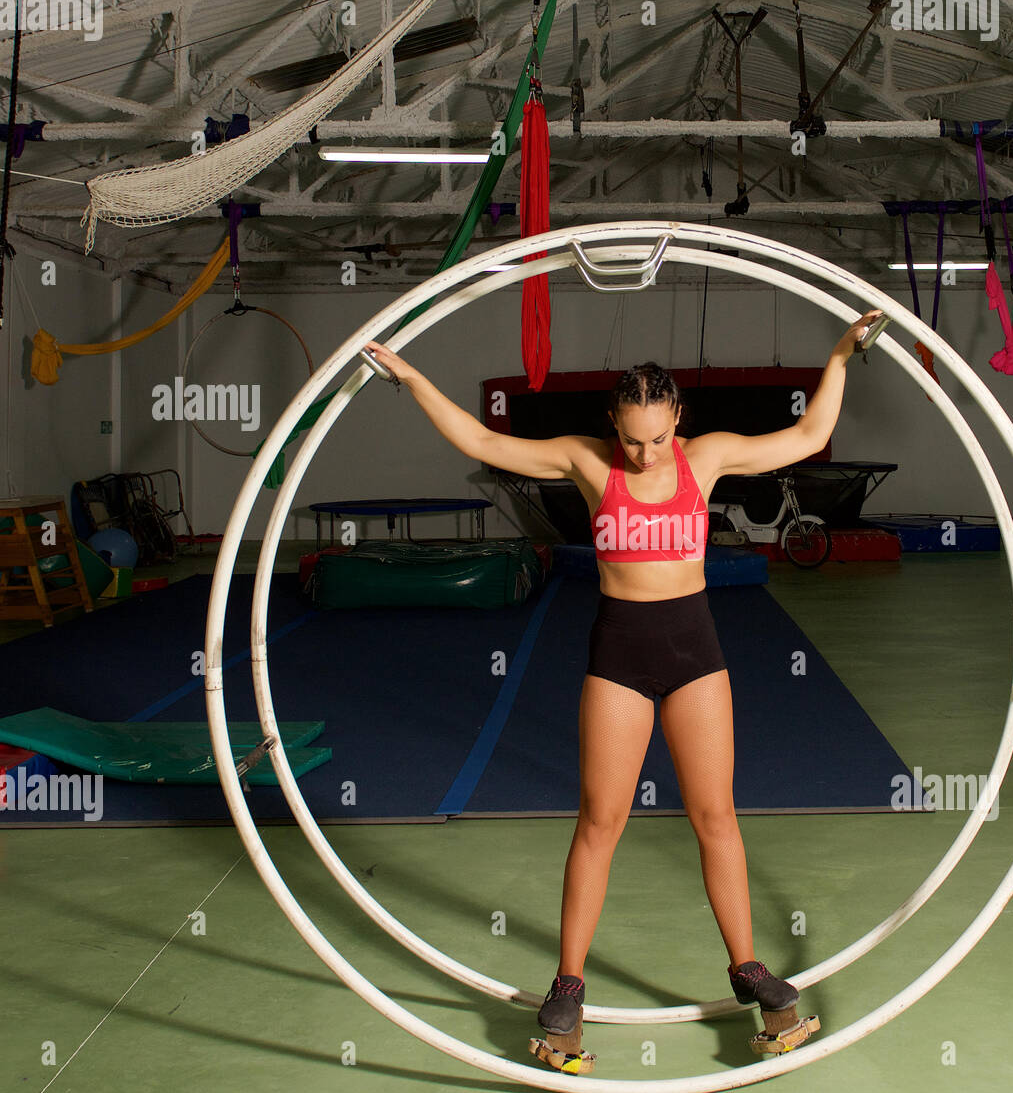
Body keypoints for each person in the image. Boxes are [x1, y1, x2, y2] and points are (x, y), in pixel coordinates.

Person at [363, 310, 881, 1040]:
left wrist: (837, 356)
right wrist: (414, 379)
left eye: (659, 438)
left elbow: (805, 437)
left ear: (679, 421)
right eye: (632, 440)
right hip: (620, 654)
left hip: (695, 651)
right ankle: (568, 982)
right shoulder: (586, 459)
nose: (645, 455)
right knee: (601, 821)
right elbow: (482, 440)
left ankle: (746, 967)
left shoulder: (706, 458)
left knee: (716, 817)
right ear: (613, 424)